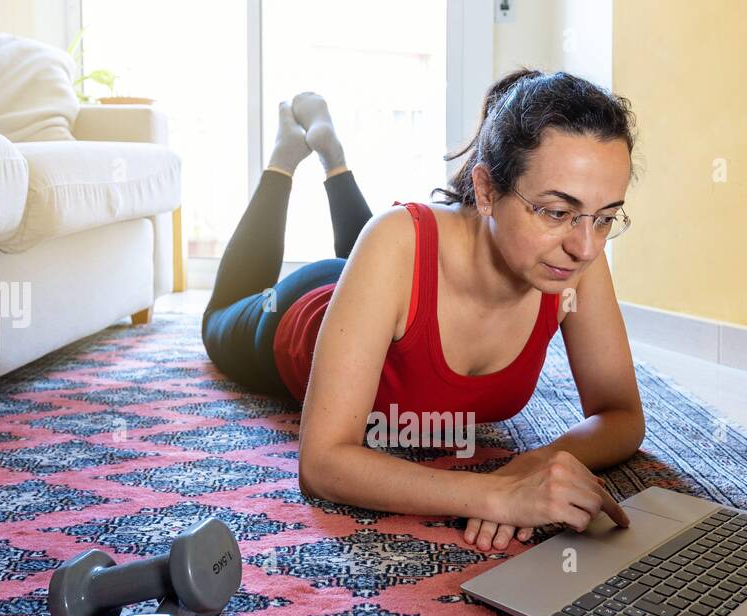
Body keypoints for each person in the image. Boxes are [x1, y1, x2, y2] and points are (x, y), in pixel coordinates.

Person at [202, 72, 645, 553]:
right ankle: (284, 158)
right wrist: (494, 493)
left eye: (604, 218)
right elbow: (323, 463)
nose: (584, 245)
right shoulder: (395, 243)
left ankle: (334, 159)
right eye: (557, 212)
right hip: (301, 310)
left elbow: (621, 416)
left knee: (376, 250)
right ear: (486, 190)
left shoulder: (574, 257)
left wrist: (534, 463)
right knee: (221, 317)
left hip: (385, 285)